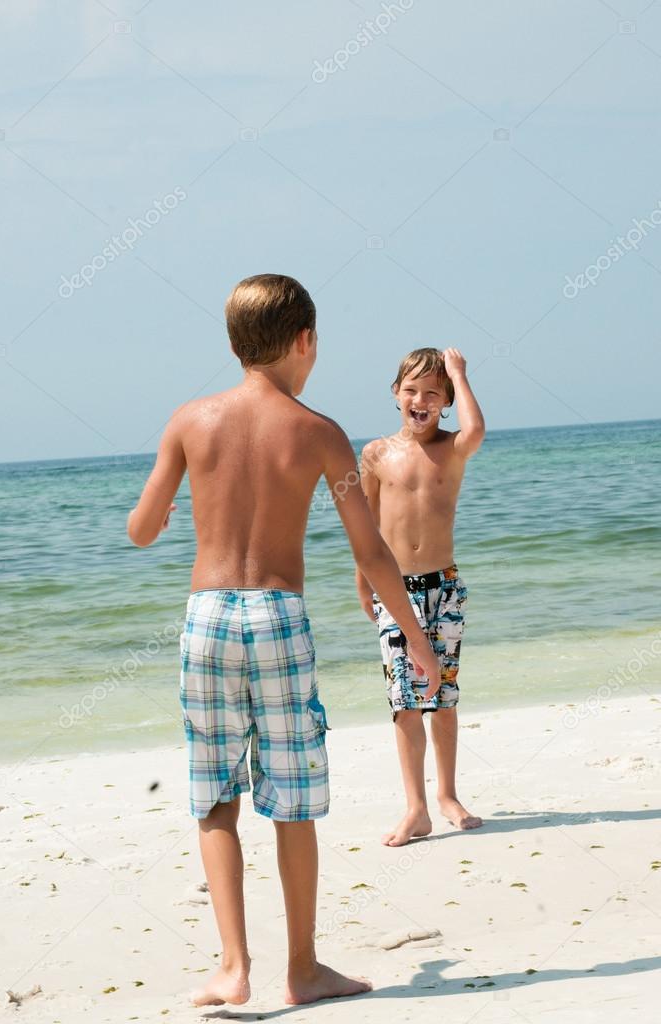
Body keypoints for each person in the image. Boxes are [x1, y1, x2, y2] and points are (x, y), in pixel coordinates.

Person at [127, 275, 445, 1007]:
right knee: (294, 800)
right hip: (277, 617)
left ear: (234, 343)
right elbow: (371, 551)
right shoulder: (320, 433)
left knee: (216, 798)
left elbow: (140, 531)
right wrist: (416, 638)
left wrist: (166, 514)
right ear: (304, 341)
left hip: (207, 619)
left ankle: (232, 967)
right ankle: (302, 969)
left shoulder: (189, 420)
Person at [355, 347, 485, 847]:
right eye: (411, 390)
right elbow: (366, 524)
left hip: (444, 588)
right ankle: (417, 808)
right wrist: (362, 580)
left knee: (443, 696)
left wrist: (459, 374)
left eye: (434, 393)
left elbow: (476, 429)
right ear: (395, 394)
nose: (421, 400)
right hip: (394, 590)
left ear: (447, 402)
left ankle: (448, 795)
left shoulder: (453, 448)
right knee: (405, 702)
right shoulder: (376, 454)